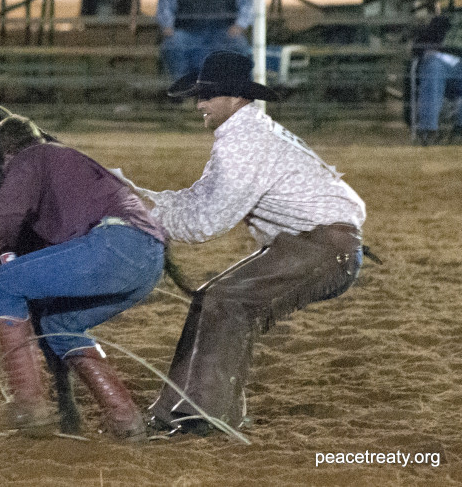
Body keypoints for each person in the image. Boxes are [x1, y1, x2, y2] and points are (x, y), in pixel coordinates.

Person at [114, 51, 366, 435]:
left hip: (324, 247)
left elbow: (204, 222)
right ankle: (190, 411)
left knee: (225, 302)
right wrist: (145, 200)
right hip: (319, 243)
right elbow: (201, 198)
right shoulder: (247, 134)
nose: (200, 103)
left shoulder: (244, 144)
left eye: (208, 95)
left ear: (235, 97)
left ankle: (203, 415)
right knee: (216, 300)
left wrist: (142, 208)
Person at [0, 115, 167, 440]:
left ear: (7, 155)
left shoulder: (29, 157)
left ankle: (31, 407)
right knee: (60, 325)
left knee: (1, 284)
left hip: (114, 245)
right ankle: (126, 421)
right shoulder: (68, 161)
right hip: (148, 259)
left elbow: (6, 215)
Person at [412, 12, 462, 145]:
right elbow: (417, 47)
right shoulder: (444, 20)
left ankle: (459, 129)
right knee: (433, 66)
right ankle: (429, 130)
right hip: (440, 64)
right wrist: (430, 51)